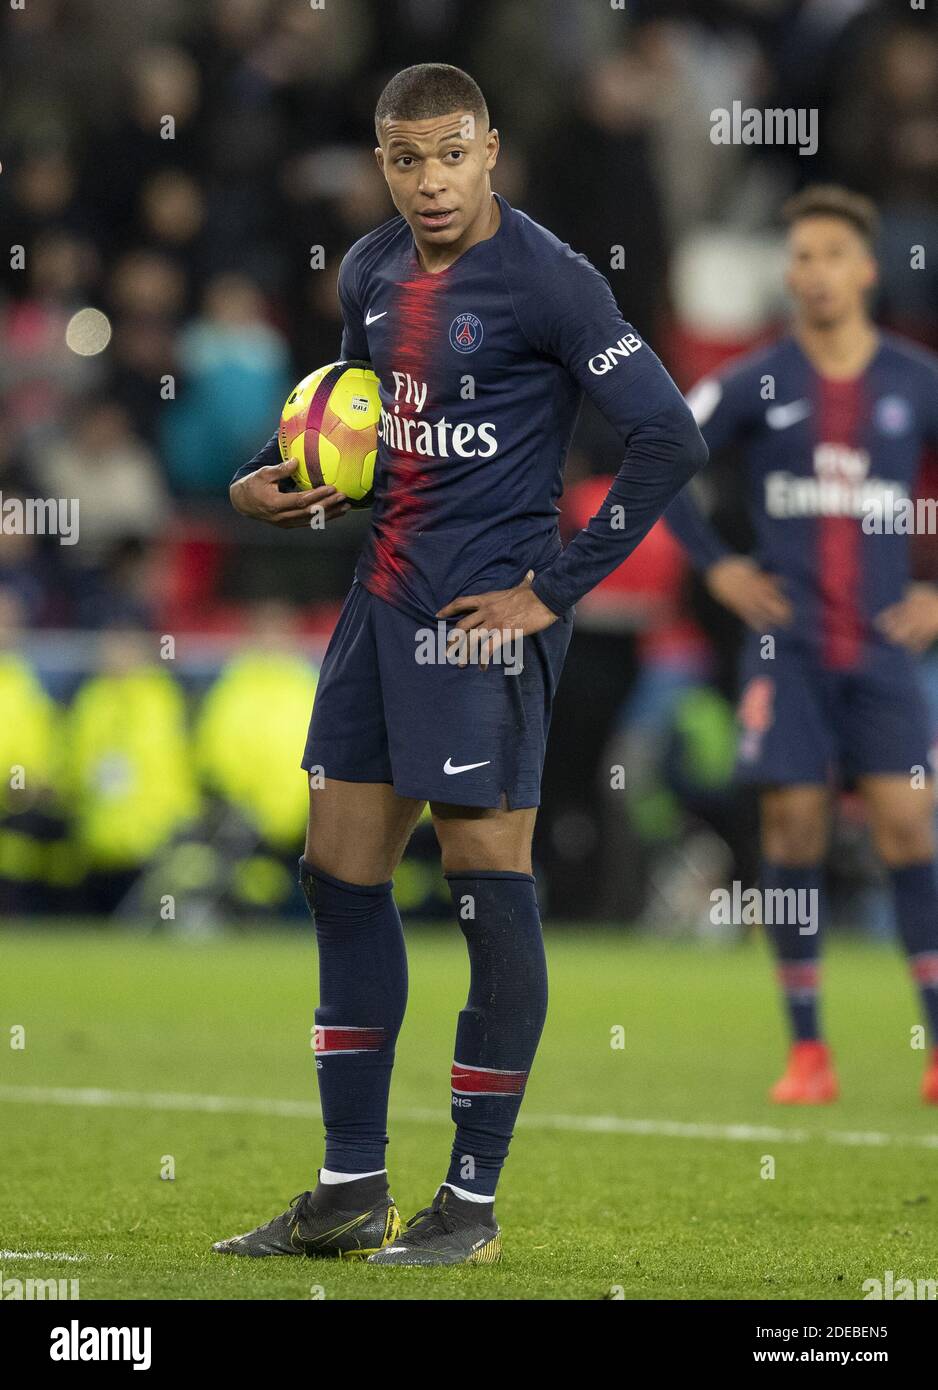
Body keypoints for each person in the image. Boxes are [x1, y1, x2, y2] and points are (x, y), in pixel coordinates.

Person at [214, 62, 706, 1266]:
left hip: (484, 623)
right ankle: (345, 1190)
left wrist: (551, 588)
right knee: (339, 871)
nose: (428, 180)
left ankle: (469, 1206)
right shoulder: (371, 272)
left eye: (449, 154)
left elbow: (667, 436)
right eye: (404, 158)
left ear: (490, 150)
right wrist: (281, 487)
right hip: (378, 605)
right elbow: (361, 428)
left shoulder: (549, 281)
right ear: (380, 163)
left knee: (486, 880)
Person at [666, 185, 938, 1107]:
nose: (812, 272)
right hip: (788, 650)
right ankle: (809, 1053)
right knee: (793, 829)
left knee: (906, 827)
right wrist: (718, 568)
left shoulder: (913, 380)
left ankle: (936, 1047)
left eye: (829, 254)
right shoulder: (758, 378)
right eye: (800, 257)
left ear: (865, 268)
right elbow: (663, 452)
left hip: (883, 648)